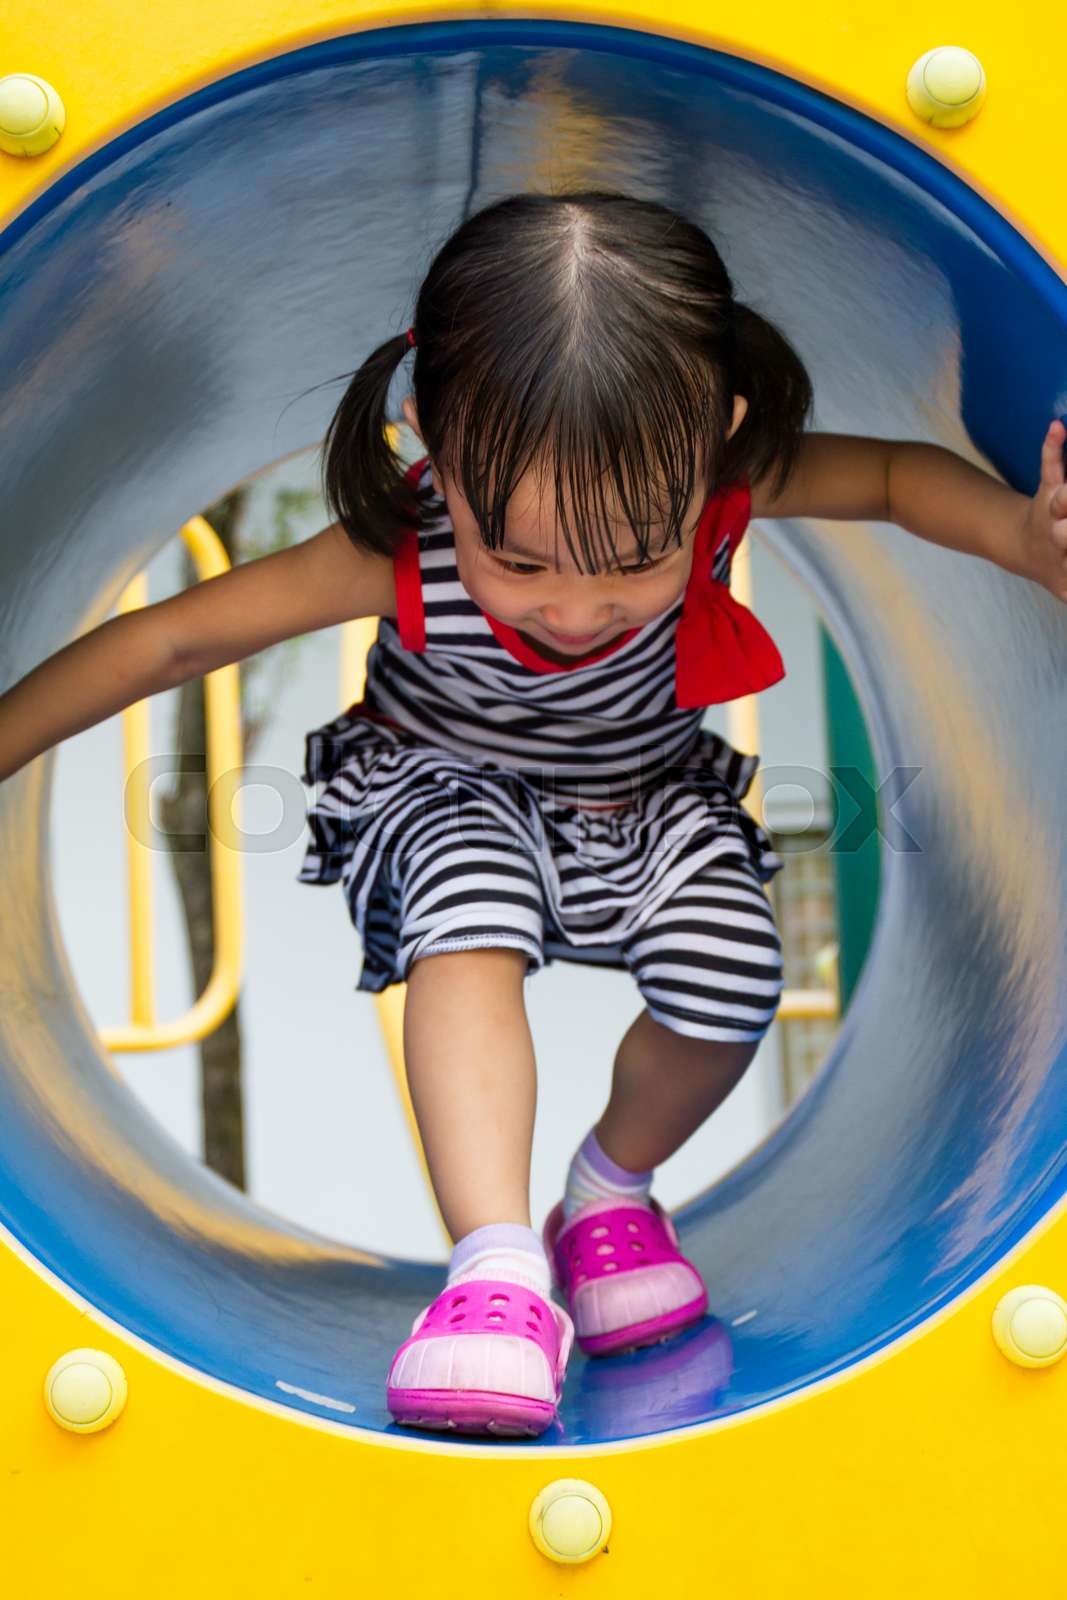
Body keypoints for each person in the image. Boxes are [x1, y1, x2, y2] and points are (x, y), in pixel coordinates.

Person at [1, 192, 1064, 1441]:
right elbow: (173, 638)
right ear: (437, 449)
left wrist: (1016, 535)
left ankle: (608, 1190)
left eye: (631, 563)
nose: (574, 610)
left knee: (732, 969)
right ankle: (496, 1270)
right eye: (524, 563)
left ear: (709, 442)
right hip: (438, 784)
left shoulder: (720, 480)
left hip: (643, 794)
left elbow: (886, 478)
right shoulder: (399, 548)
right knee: (468, 901)